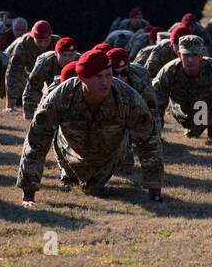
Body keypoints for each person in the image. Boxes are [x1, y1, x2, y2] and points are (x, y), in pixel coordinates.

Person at [16, 48, 163, 205]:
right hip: (69, 153)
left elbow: (149, 138)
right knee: (73, 179)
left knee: (95, 187)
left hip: (111, 156)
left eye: (108, 75)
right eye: (98, 77)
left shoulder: (126, 97)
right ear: (82, 78)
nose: (105, 82)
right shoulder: (60, 97)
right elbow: (36, 141)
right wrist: (28, 194)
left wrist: (154, 190)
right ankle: (68, 173)